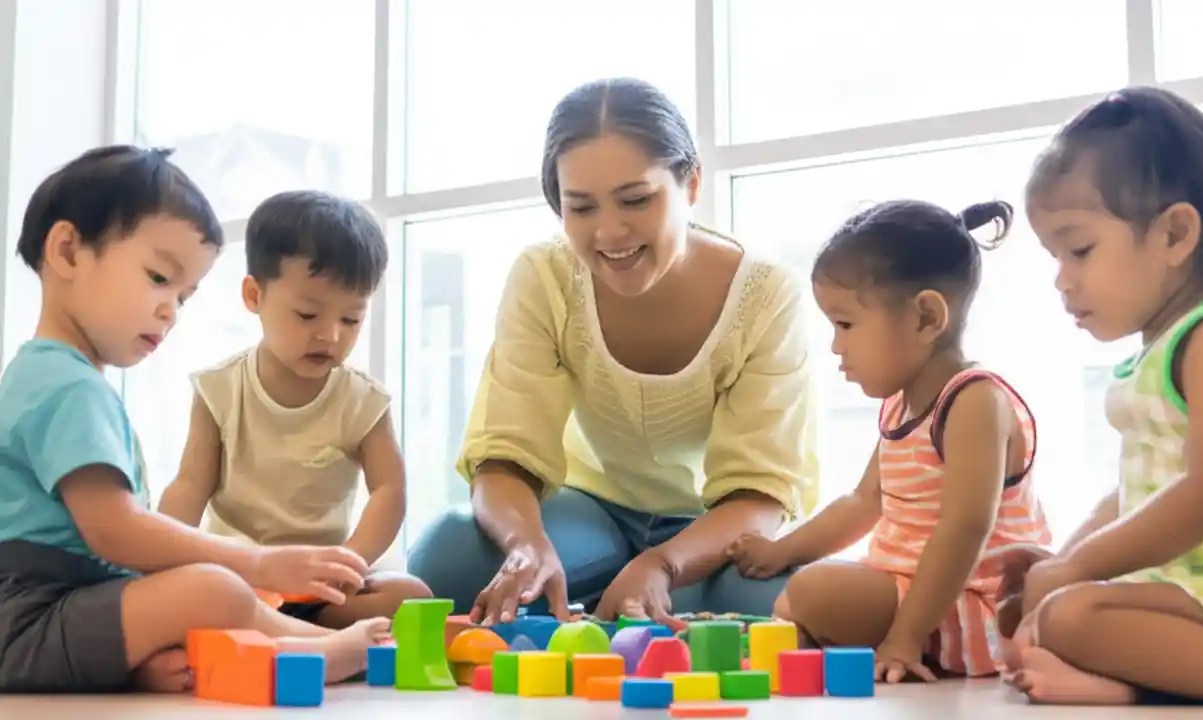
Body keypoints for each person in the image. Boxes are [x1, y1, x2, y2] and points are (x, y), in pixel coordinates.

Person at [407, 77, 820, 626]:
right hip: (586, 515)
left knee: (803, 603)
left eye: (636, 199)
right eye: (581, 208)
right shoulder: (545, 275)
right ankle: (614, 598)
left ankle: (639, 597)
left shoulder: (767, 295)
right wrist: (527, 546)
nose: (609, 231)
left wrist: (663, 564)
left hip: (713, 533)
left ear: (691, 183)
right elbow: (505, 452)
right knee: (448, 556)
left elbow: (761, 492)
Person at [0, 147, 387, 694]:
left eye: (184, 296)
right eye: (159, 277)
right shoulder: (63, 384)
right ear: (67, 250)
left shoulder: (53, 376)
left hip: (63, 608)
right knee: (214, 588)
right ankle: (312, 652)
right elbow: (115, 531)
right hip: (29, 622)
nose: (170, 311)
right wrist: (258, 562)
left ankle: (289, 644)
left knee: (206, 590)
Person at [1003, 86, 1203, 706]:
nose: (1061, 280)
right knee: (1041, 624)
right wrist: (1065, 556)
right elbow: (1133, 494)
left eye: (1080, 250)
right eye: (1055, 256)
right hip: (1200, 588)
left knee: (1070, 618)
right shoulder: (1154, 356)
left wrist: (1080, 571)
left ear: (1175, 235)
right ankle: (1128, 688)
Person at [735, 199, 1053, 682]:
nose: (836, 347)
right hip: (914, 591)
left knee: (810, 593)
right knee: (789, 599)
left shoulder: (973, 401)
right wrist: (781, 551)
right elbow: (864, 501)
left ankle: (898, 645)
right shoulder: (901, 406)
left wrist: (904, 635)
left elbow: (965, 528)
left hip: (973, 603)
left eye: (845, 325)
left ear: (926, 318)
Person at [159, 190, 431, 629]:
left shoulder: (363, 400)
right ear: (254, 295)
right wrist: (160, 559)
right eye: (307, 315)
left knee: (410, 596)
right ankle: (284, 632)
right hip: (239, 577)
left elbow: (389, 491)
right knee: (193, 593)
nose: (330, 336)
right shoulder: (220, 389)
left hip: (321, 587)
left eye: (351, 320)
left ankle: (292, 631)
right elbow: (190, 486)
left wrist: (352, 562)